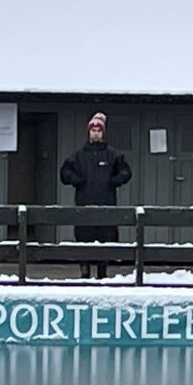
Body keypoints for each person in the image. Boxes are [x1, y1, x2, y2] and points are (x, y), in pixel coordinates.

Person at [60, 112, 131, 280]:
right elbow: (64, 173)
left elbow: (126, 172)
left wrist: (115, 180)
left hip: (106, 205)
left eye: (99, 131)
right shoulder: (78, 156)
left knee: (105, 240)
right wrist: (74, 179)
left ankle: (102, 274)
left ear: (104, 133)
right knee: (84, 239)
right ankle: (84, 273)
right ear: (88, 133)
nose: (96, 134)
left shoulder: (113, 155)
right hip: (84, 205)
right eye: (93, 131)